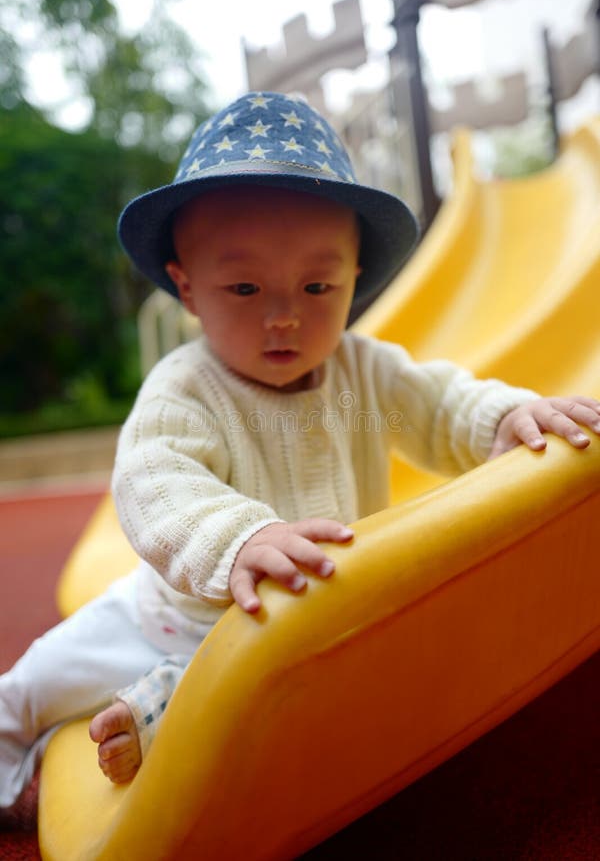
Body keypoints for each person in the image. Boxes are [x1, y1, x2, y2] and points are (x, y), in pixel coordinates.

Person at [2, 92, 599, 809]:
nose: (284, 314)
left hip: (311, 632)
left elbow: (442, 402)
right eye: (245, 287)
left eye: (318, 285)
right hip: (169, 616)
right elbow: (153, 481)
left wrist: (507, 418)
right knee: (29, 685)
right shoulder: (184, 389)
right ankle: (22, 775)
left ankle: (153, 714)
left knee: (264, 719)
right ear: (188, 289)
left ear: (354, 280)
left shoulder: (364, 373)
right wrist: (241, 536)